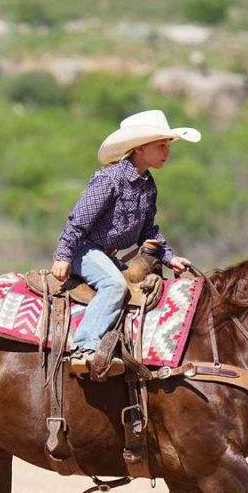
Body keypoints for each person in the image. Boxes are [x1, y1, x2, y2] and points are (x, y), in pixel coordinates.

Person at [51, 110, 199, 367]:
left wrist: (170, 257)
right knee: (115, 286)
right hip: (84, 250)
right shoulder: (109, 179)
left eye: (168, 146)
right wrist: (63, 255)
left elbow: (147, 231)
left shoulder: (147, 185)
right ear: (140, 148)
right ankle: (84, 348)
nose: (167, 152)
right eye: (161, 146)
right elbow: (79, 219)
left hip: (108, 255)